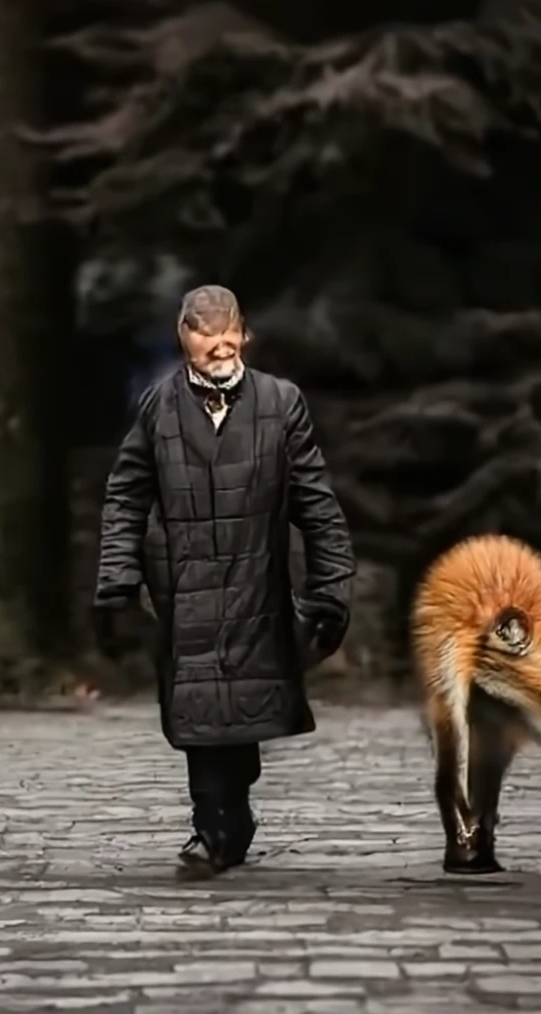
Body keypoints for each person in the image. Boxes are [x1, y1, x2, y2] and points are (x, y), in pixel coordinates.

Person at [92, 285, 356, 876]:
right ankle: (212, 825)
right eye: (204, 334)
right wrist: (118, 579)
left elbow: (315, 503)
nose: (218, 346)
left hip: (257, 581)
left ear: (244, 335)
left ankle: (229, 816)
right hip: (182, 586)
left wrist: (332, 589)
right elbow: (126, 494)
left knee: (242, 712)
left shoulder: (280, 403)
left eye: (227, 334)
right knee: (199, 716)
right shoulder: (159, 406)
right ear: (183, 335)